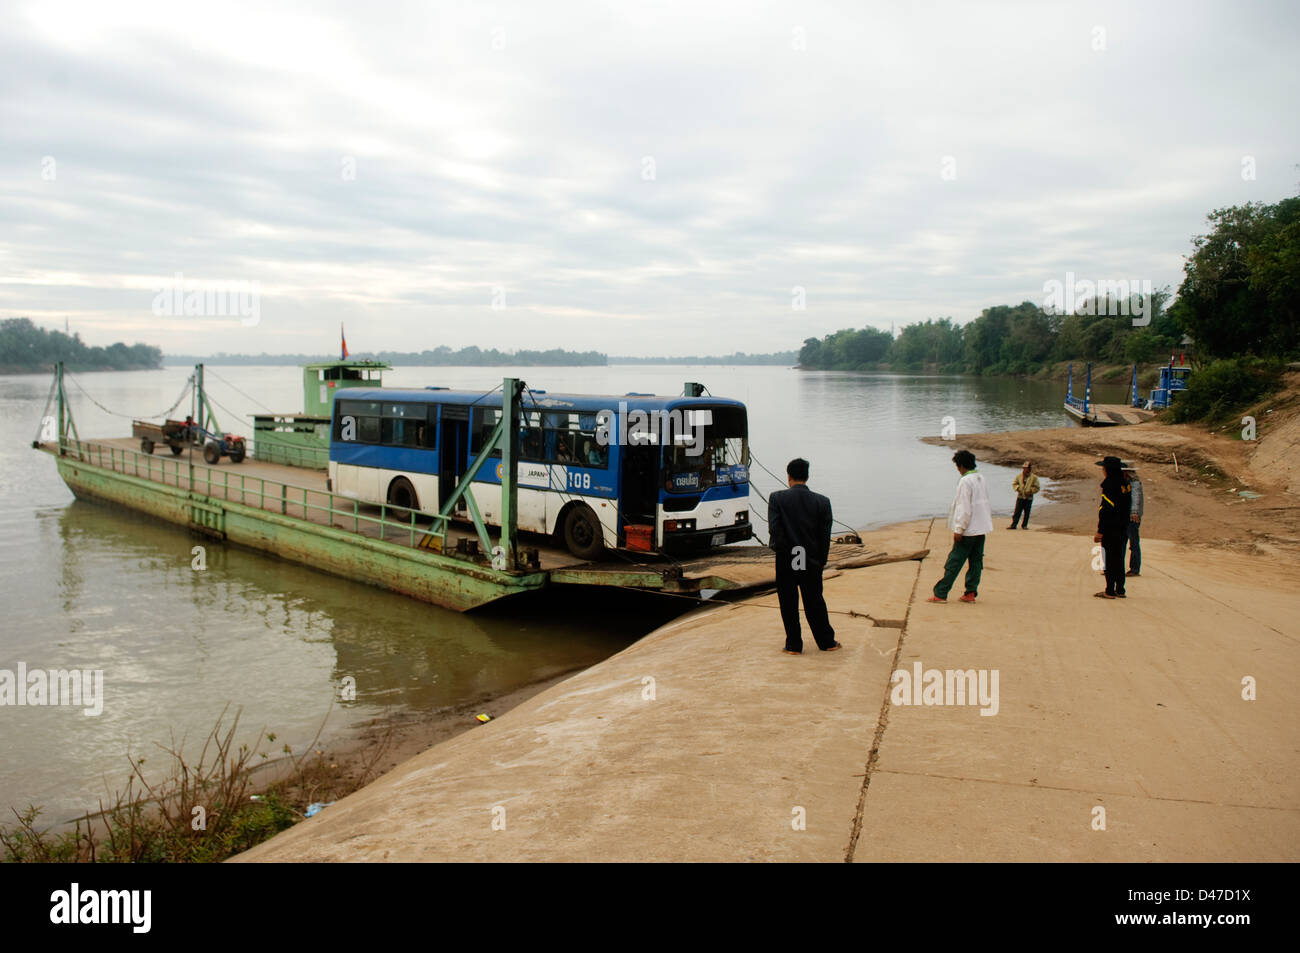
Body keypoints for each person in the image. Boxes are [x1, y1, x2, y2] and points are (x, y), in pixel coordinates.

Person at [768, 458, 840, 655]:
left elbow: (775, 530)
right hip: (811, 560)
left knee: (788, 602)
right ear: (807, 477)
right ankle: (827, 642)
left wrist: (785, 553)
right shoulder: (822, 502)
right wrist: (820, 561)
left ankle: (793, 645)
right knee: (814, 601)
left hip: (786, 559)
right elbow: (825, 537)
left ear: (789, 476)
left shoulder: (776, 498)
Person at [928, 449, 993, 603]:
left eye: (957, 466)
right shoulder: (980, 478)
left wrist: (959, 529)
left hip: (969, 530)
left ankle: (941, 593)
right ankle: (971, 592)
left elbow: (964, 508)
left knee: (954, 561)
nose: (957, 469)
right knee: (976, 562)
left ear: (962, 465)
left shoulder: (965, 481)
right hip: (981, 528)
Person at [1093, 456, 1132, 599]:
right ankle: (1120, 589)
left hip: (1111, 528)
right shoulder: (1125, 484)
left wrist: (1100, 531)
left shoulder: (1110, 485)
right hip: (1123, 527)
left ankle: (1109, 590)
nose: (1102, 470)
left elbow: (1106, 510)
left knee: (1109, 559)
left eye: (1103, 468)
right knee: (1119, 558)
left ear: (1108, 470)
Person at [1008, 461, 1039, 529]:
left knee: (1027, 512)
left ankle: (1024, 525)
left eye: (1026, 468)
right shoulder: (1019, 476)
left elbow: (1037, 487)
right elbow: (1014, 483)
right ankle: (1014, 525)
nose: (1025, 470)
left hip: (1029, 497)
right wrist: (1018, 488)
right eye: (1024, 468)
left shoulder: (1034, 477)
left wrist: (1030, 491)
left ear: (1029, 469)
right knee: (1017, 512)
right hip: (1020, 496)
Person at [1124, 465, 1143, 577]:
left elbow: (1135, 498)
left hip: (1132, 517)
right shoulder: (1129, 483)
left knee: (1133, 542)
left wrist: (1134, 512)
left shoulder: (1134, 484)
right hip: (1130, 515)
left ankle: (1135, 568)